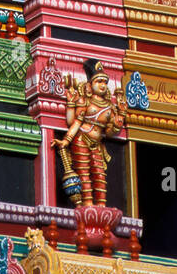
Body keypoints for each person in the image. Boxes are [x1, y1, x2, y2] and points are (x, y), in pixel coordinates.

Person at [52, 63, 126, 206]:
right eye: (99, 81)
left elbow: (110, 133)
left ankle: (101, 205)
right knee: (84, 173)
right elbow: (73, 122)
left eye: (105, 82)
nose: (103, 85)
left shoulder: (110, 106)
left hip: (97, 144)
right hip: (81, 139)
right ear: (89, 85)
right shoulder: (84, 101)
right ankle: (88, 204)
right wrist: (66, 141)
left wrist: (119, 119)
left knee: (99, 175)